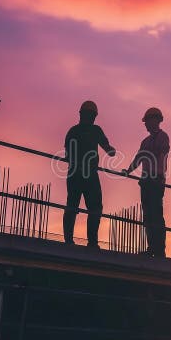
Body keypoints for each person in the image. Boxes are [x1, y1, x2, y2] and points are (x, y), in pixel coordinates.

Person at [63, 101, 116, 248]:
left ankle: (71, 240)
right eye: (91, 115)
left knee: (74, 205)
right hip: (87, 174)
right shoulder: (94, 130)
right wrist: (111, 151)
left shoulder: (74, 131)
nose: (91, 118)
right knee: (92, 207)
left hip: (77, 173)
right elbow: (108, 149)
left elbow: (67, 152)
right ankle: (91, 242)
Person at [125, 107, 170, 257]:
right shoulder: (145, 142)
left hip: (156, 180)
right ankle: (152, 247)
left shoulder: (163, 137)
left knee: (156, 214)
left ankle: (159, 250)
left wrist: (147, 155)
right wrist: (128, 170)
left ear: (155, 120)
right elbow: (138, 159)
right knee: (148, 215)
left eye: (147, 121)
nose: (145, 124)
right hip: (146, 181)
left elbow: (161, 152)